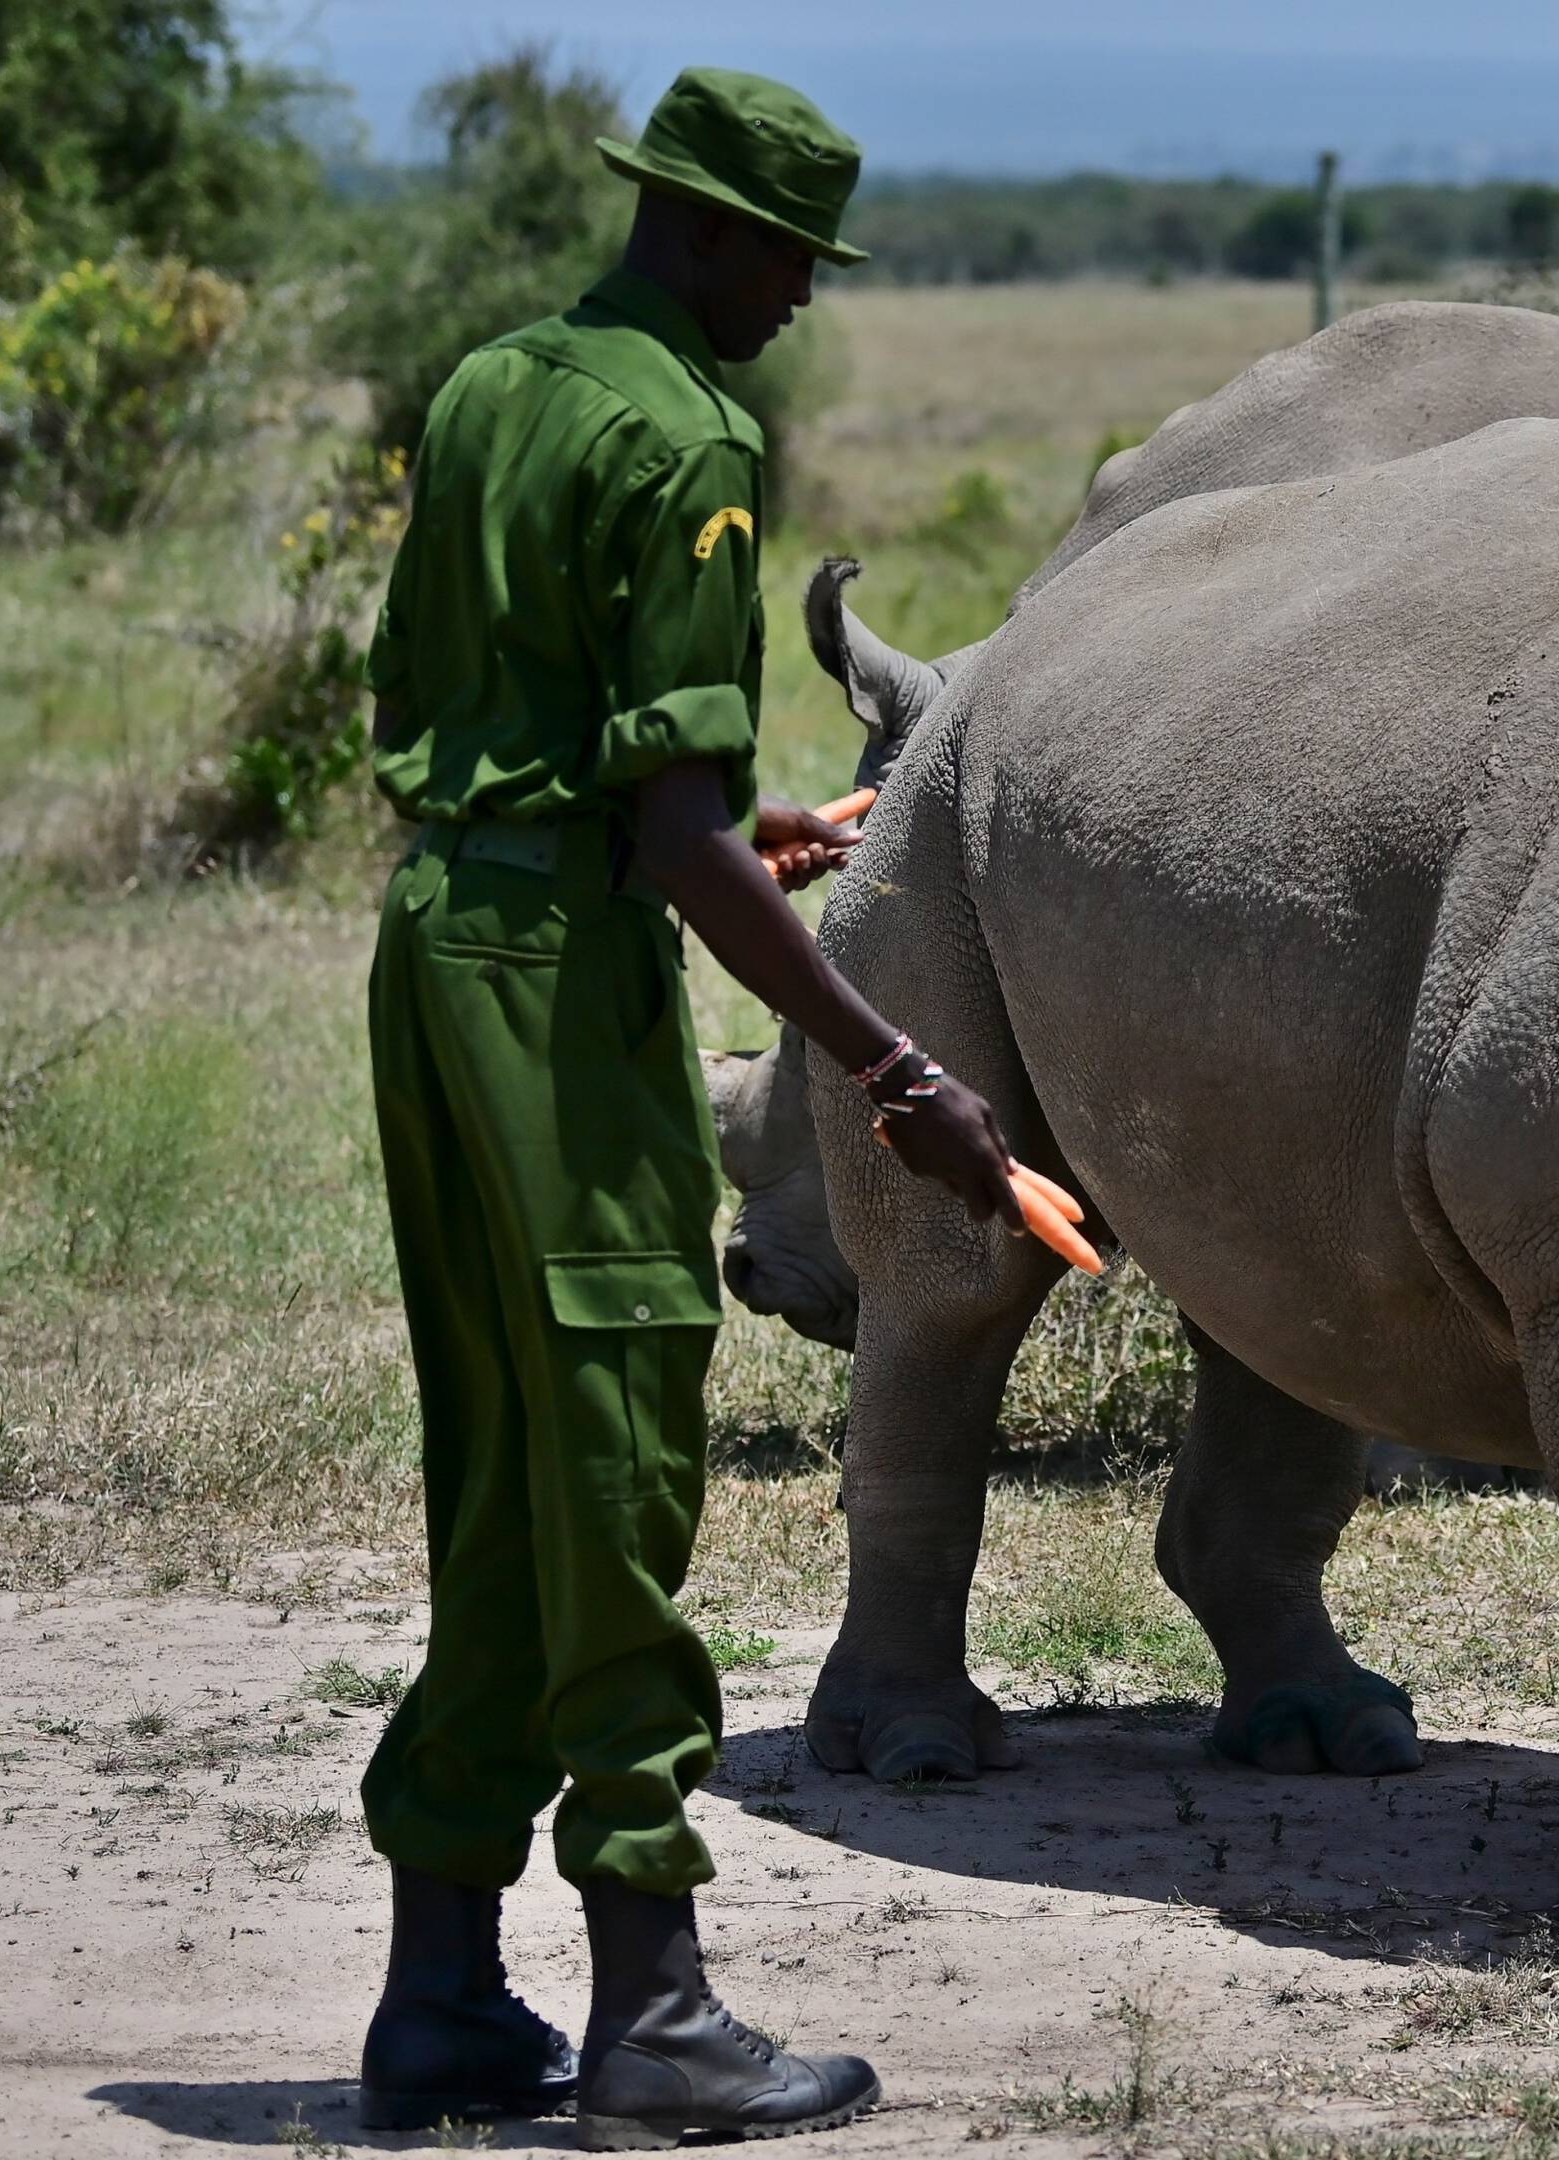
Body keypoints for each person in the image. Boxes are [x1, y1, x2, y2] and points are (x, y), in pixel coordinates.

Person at [350, 67, 1019, 2146]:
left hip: (442, 943)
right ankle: (649, 2006)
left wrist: (758, 830)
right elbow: (661, 835)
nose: (804, 299)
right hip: (562, 998)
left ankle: (441, 1998)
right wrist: (889, 1067)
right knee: (625, 1459)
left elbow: (500, 731)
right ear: (720, 235)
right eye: (796, 254)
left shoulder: (488, 387)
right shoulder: (690, 434)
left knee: (502, 1470)